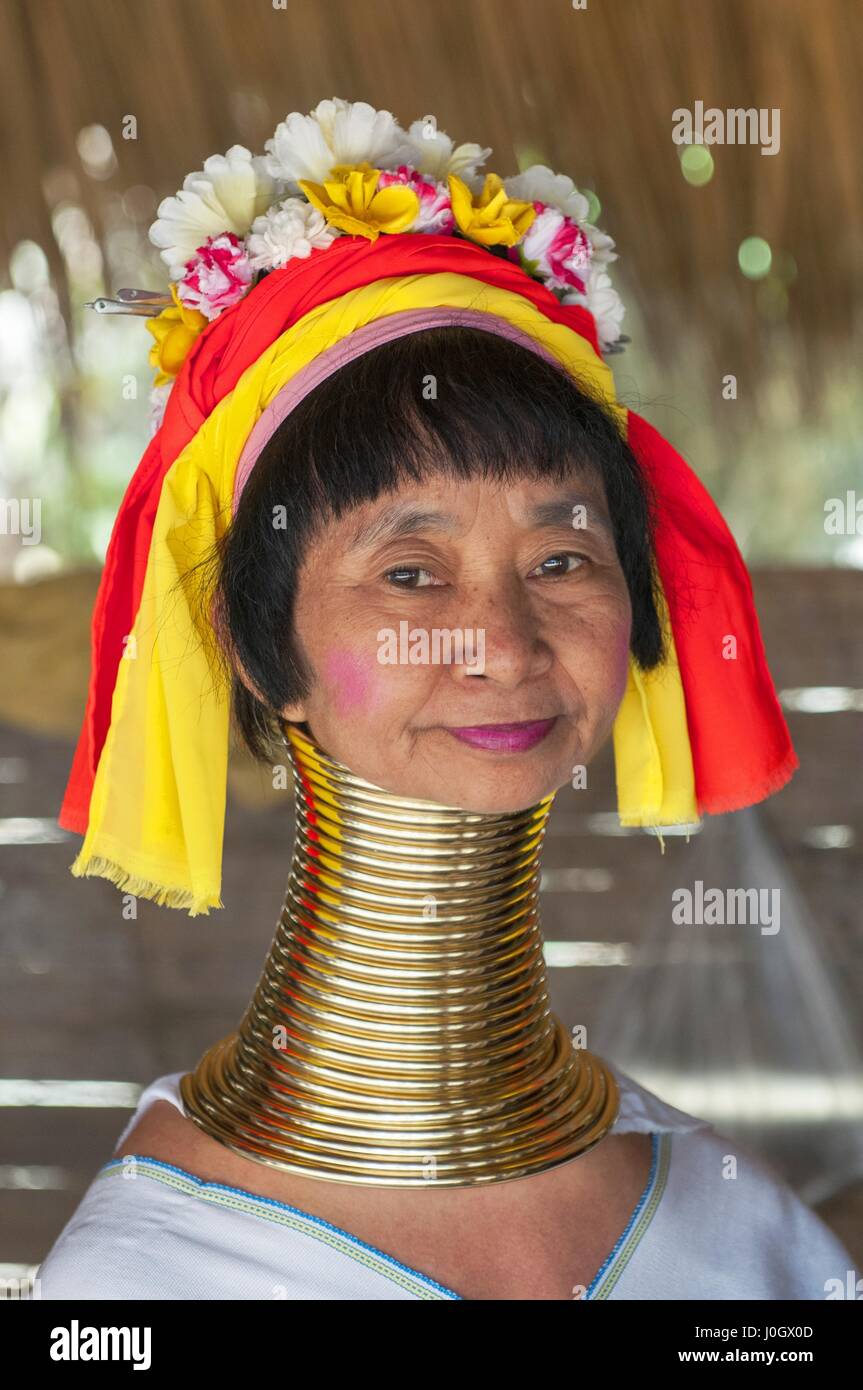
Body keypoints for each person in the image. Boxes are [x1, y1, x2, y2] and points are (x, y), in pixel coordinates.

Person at [35, 98, 854, 1300]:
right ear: (265, 657)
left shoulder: (736, 1237)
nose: (503, 642)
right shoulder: (149, 1285)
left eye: (561, 559)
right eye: (409, 573)